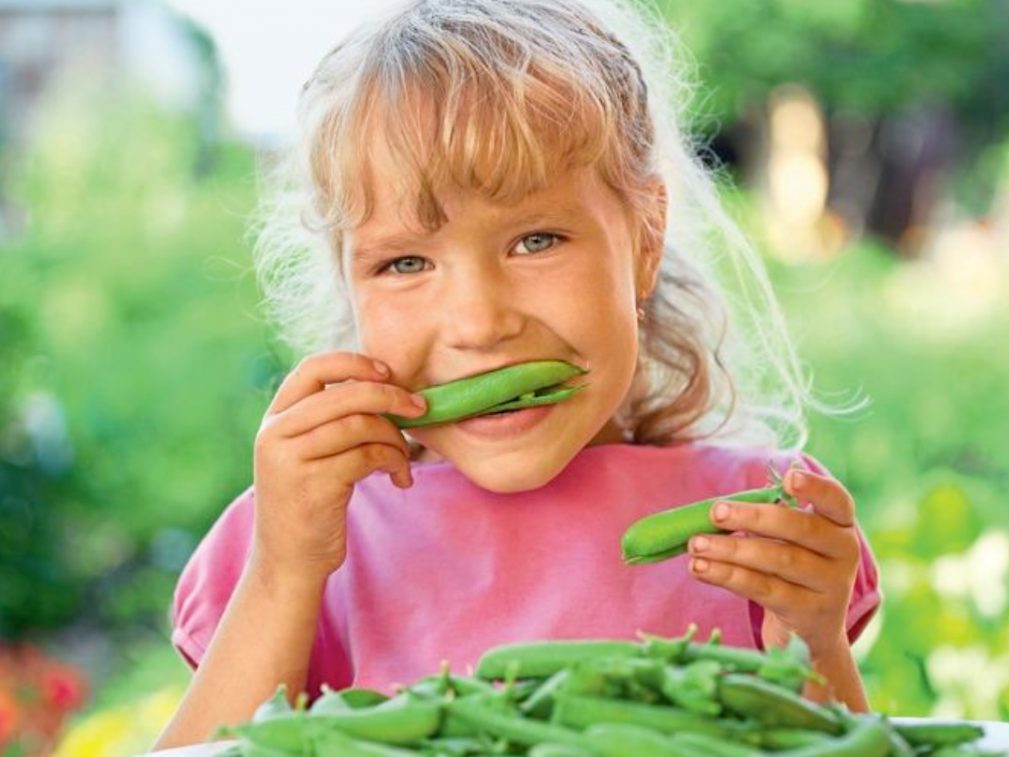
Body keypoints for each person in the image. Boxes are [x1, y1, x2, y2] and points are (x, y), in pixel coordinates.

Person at [153, 0, 882, 748]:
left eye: (536, 240)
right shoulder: (308, 539)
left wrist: (812, 643)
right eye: (405, 262)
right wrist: (282, 571)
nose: (479, 322)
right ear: (349, 282)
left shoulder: (755, 517)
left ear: (644, 237)